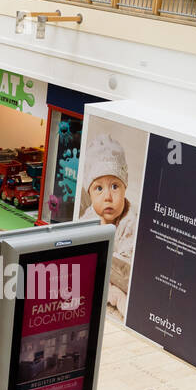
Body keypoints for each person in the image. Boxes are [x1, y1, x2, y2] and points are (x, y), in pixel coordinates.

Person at [78, 133, 136, 314]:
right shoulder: (89, 217)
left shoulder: (131, 223)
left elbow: (126, 273)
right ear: (90, 193)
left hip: (119, 279)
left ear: (125, 187)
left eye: (115, 186)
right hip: (96, 278)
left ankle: (117, 298)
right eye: (99, 188)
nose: (108, 197)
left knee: (124, 299)